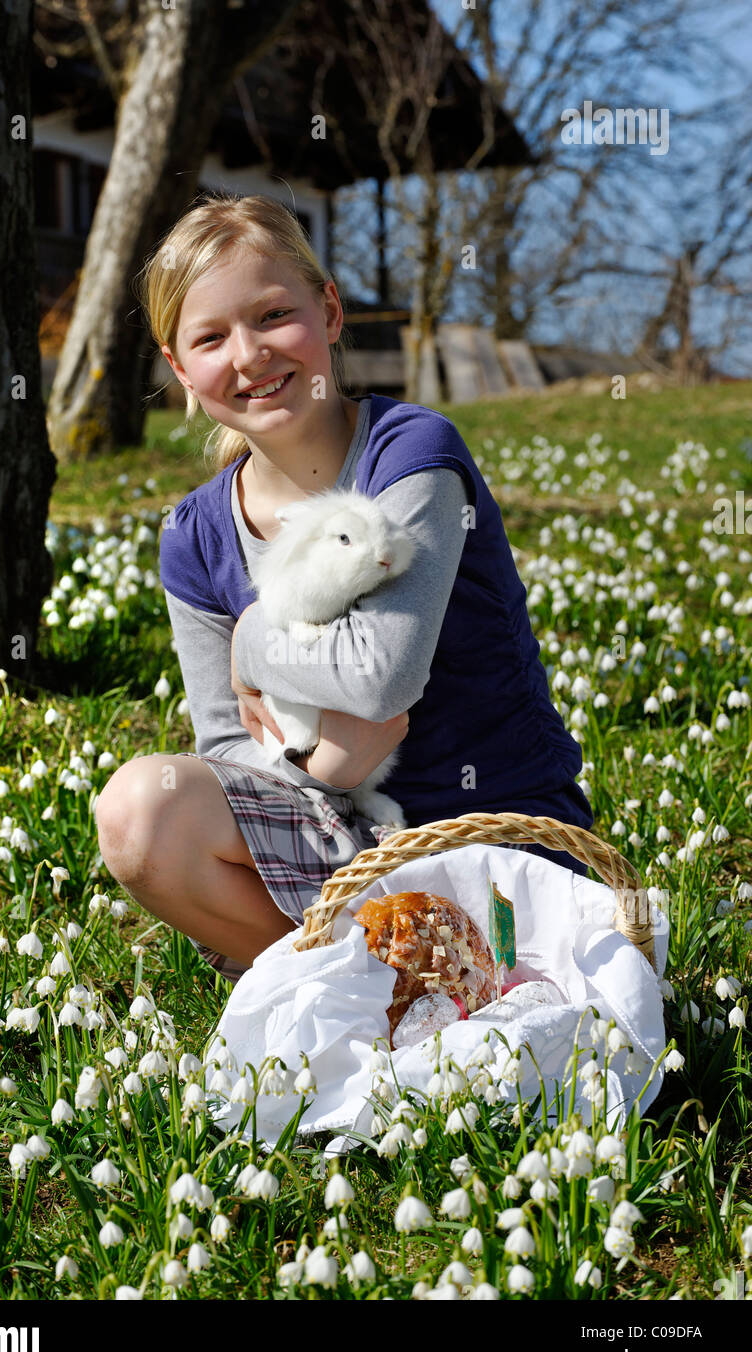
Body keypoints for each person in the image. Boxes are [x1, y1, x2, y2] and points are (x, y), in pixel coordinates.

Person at [94, 193, 594, 985]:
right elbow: (228, 746)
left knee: (521, 1020)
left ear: (329, 311)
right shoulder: (194, 536)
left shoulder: (411, 454)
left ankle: (432, 993)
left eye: (272, 315)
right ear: (179, 368)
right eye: (212, 337)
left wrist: (256, 640)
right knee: (137, 813)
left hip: (498, 839)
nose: (251, 354)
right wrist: (325, 768)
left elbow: (384, 676)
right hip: (341, 841)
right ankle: (365, 989)